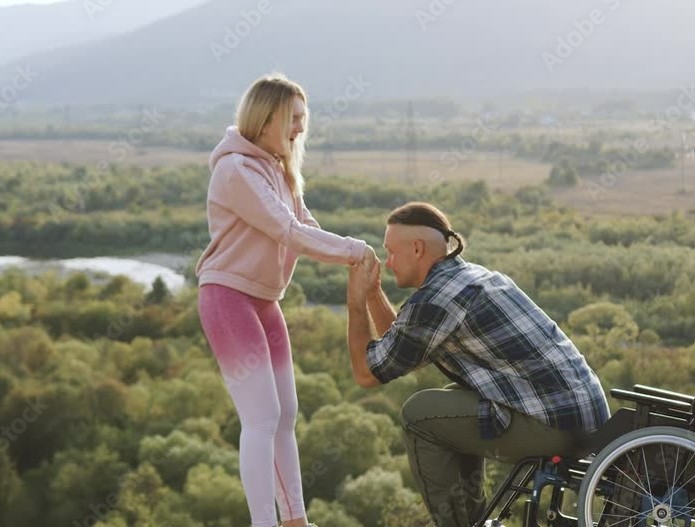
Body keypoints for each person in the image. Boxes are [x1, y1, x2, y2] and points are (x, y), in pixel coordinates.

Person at [344, 202, 610, 527]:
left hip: (556, 426)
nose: (388, 263)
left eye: (391, 252)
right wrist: (373, 293)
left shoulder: (435, 299)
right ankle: (474, 520)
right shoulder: (469, 277)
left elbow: (367, 374)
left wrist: (355, 300)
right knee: (450, 401)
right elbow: (401, 353)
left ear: (416, 248)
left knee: (418, 415)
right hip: (586, 418)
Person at [195, 73, 375, 527]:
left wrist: (359, 259)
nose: (299, 128)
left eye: (302, 119)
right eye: (293, 119)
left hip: (263, 300)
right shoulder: (235, 169)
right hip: (228, 297)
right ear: (268, 116)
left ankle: (295, 519)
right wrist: (355, 250)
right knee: (261, 417)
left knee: (286, 414)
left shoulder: (278, 170)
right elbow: (288, 232)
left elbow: (306, 224)